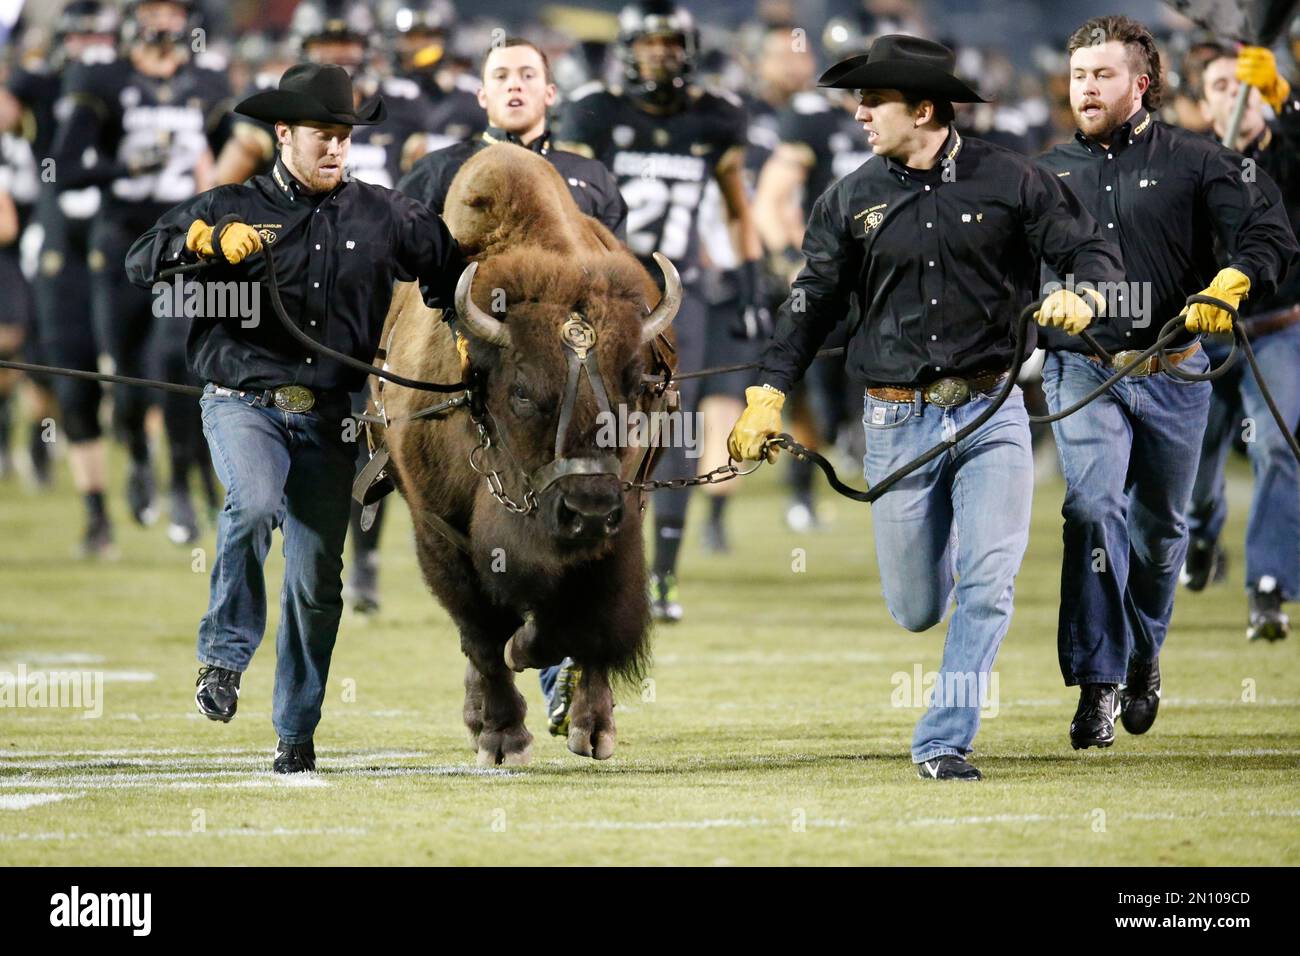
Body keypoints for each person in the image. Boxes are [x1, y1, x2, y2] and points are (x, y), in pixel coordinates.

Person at [728, 34, 1127, 781]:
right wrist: (768, 392)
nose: (860, 115)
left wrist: (1086, 290)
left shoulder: (1014, 180)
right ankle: (946, 561)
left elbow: (1089, 248)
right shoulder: (848, 199)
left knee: (989, 581)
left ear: (923, 108)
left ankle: (945, 737)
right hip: (894, 419)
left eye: (873, 101)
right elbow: (809, 306)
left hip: (991, 409)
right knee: (915, 607)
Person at [123, 63, 463, 772]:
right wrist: (202, 242)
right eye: (321, 135)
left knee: (315, 580)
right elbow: (138, 261)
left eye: (344, 136)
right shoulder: (228, 204)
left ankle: (296, 734)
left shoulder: (385, 215)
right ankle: (221, 660)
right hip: (242, 404)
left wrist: (460, 325)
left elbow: (451, 267)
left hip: (331, 418)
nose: (335, 148)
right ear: (283, 134)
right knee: (250, 503)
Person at [1035, 16, 1298, 750]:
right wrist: (1039, 296)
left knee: (1160, 536)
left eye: (1104, 74)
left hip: (1174, 370)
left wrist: (1233, 279)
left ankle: (1144, 652)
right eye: (1079, 73)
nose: (1087, 86)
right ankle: (1098, 684)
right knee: (1091, 508)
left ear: (1141, 84)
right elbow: (996, 265)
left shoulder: (1199, 160)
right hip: (1083, 369)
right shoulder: (1043, 173)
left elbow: (1269, 229)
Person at [398, 35, 626, 740]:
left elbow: (613, 291)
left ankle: (573, 665)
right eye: (503, 75)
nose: (517, 85)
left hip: (572, 391)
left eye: (530, 74)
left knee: (607, 479)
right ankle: (488, 654)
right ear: (482, 93)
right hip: (471, 374)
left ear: (551, 92)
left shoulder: (591, 176)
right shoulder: (438, 173)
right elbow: (404, 289)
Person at [555, 0, 766, 623]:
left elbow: (735, 208)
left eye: (671, 44)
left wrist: (752, 284)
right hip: (605, 290)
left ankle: (662, 577)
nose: (661, 55)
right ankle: (575, 557)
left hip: (681, 292)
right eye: (649, 45)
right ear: (627, 50)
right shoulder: (593, 110)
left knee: (677, 427)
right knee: (587, 417)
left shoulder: (716, 115)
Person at [48, 0, 231, 543]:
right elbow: (61, 170)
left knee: (175, 358)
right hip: (122, 242)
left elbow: (236, 156)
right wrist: (125, 167)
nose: (167, 24)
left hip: (183, 243)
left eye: (175, 14)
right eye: (157, 11)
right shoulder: (101, 78)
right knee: (126, 373)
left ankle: (179, 482)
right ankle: (136, 455)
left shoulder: (207, 81)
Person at [1184, 42, 1300, 643]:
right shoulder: (1193, 160)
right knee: (1193, 466)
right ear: (1205, 104)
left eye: (1246, 85)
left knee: (1276, 451)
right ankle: (1203, 535)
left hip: (1278, 331)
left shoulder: (1289, 149)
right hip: (1206, 337)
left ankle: (1269, 587)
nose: (1238, 96)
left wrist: (1290, 100)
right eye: (1223, 88)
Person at [2, 0, 120, 553]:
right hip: (61, 247)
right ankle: (96, 512)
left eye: (102, 37)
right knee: (70, 380)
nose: (91, 47)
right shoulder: (43, 85)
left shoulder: (132, 86)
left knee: (152, 370)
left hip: (121, 246)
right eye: (82, 38)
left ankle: (161, 476)